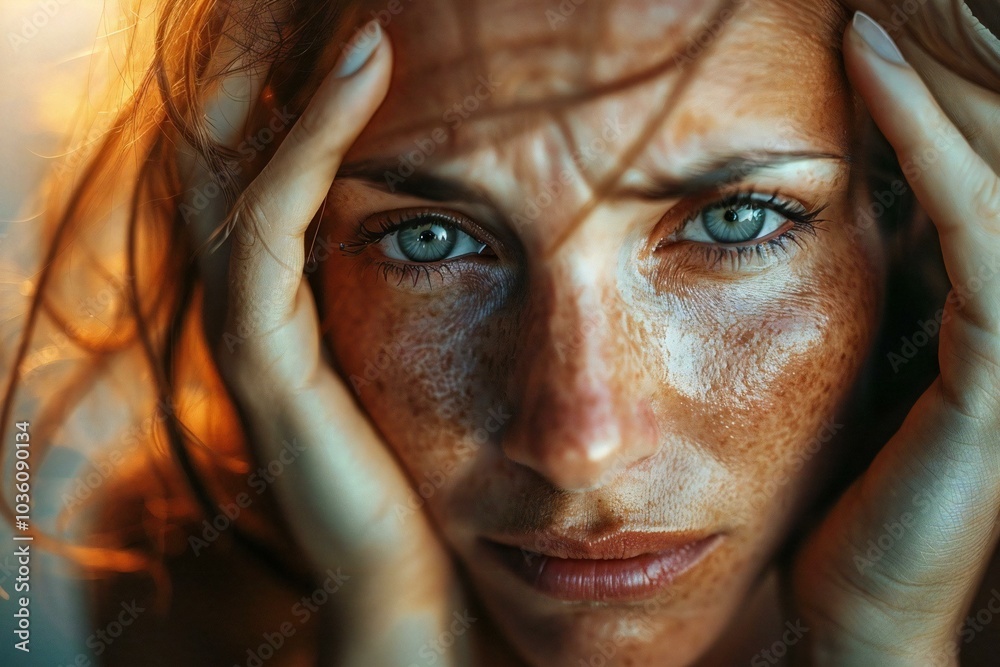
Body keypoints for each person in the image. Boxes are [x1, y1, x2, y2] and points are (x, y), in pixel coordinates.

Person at [4, 0, 1000, 664]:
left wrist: (885, 634)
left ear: (922, 222)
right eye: (430, 239)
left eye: (733, 220)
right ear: (281, 255)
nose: (579, 446)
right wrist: (388, 627)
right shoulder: (184, 604)